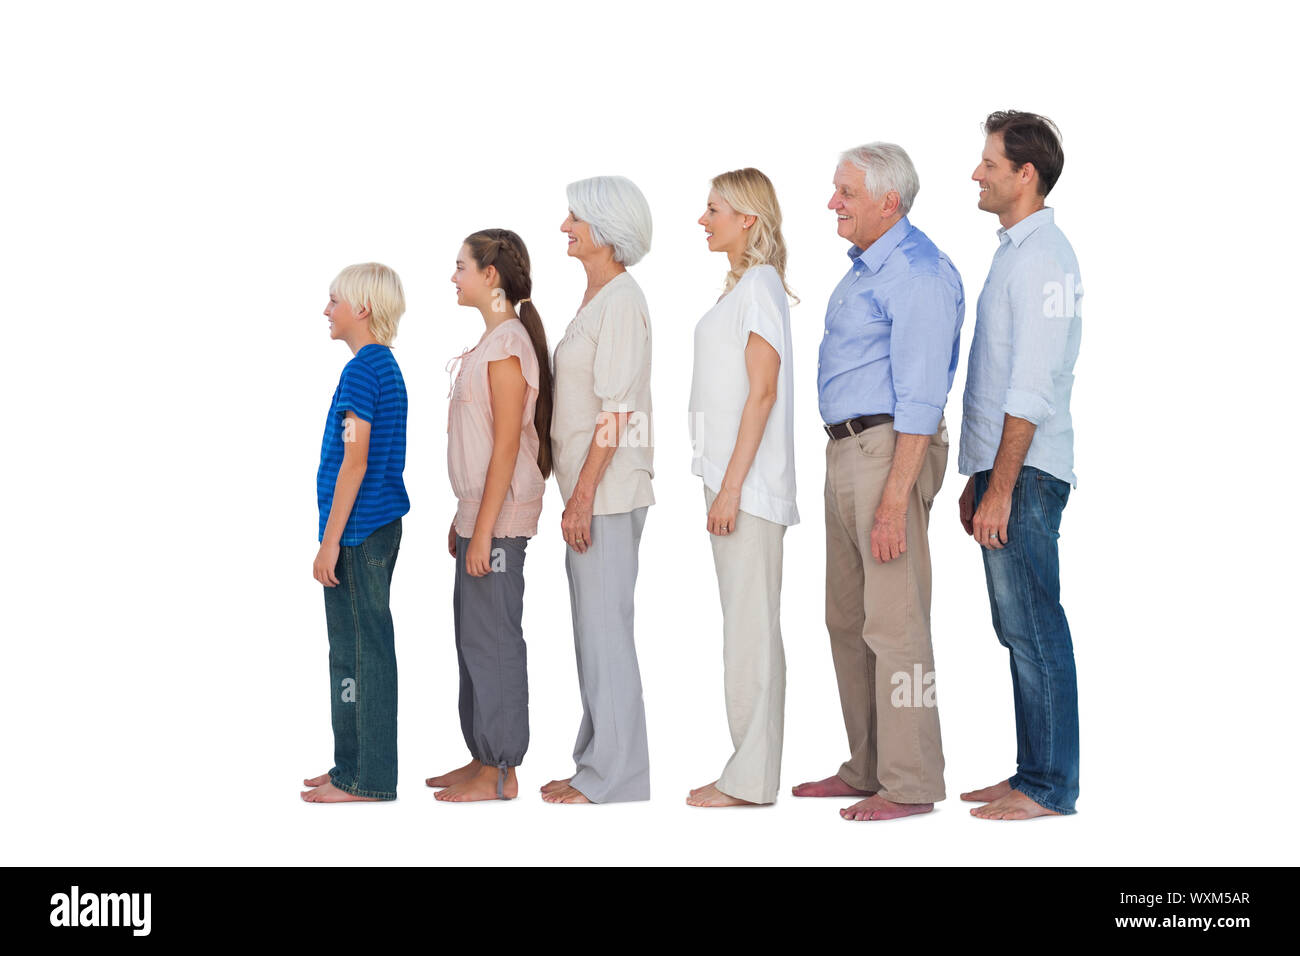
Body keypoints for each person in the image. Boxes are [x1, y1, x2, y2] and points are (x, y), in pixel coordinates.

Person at [793, 143, 965, 821]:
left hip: (889, 452)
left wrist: (895, 500)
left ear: (888, 202)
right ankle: (866, 765)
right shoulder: (865, 271)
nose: (834, 202)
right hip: (847, 452)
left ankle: (911, 780)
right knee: (848, 619)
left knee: (896, 626)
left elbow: (922, 397)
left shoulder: (918, 274)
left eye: (847, 193)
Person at [957, 111, 1083, 820]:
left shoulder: (1043, 257)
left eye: (989, 163)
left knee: (1035, 625)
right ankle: (1031, 771)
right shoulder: (1015, 252)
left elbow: (1030, 387)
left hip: (1027, 475)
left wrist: (1000, 485)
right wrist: (978, 476)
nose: (977, 174)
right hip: (1006, 473)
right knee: (1017, 630)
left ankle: (1049, 786)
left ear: (1024, 174)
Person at [425, 229, 552, 802]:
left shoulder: (507, 347)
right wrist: (464, 517)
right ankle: (481, 756)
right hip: (480, 513)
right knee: (472, 638)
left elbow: (505, 446)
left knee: (495, 639)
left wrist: (484, 528)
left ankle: (502, 769)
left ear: (490, 275)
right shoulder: (491, 341)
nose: (454, 277)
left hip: (499, 521)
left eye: (461, 267)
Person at [685, 168, 798, 808]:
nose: (704, 220)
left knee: (751, 630)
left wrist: (730, 489)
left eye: (714, 209)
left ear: (747, 218)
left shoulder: (759, 285)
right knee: (745, 627)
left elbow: (763, 391)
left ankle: (750, 780)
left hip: (747, 491)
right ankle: (746, 770)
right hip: (733, 484)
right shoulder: (746, 288)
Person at [541, 176, 655, 805]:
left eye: (575, 218)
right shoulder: (598, 298)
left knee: (605, 631)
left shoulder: (622, 300)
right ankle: (594, 762)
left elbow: (616, 413)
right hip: (588, 494)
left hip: (606, 496)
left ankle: (617, 777)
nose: (565, 227)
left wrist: (582, 496)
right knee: (591, 631)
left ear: (605, 230)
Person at [303, 263, 410, 803]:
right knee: (351, 651)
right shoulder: (381, 366)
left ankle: (367, 778)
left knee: (362, 652)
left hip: (358, 534)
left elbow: (355, 461)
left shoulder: (363, 372)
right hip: (368, 529)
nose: (327, 309)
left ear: (361, 308)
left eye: (334, 300)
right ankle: (352, 764)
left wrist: (330, 541)